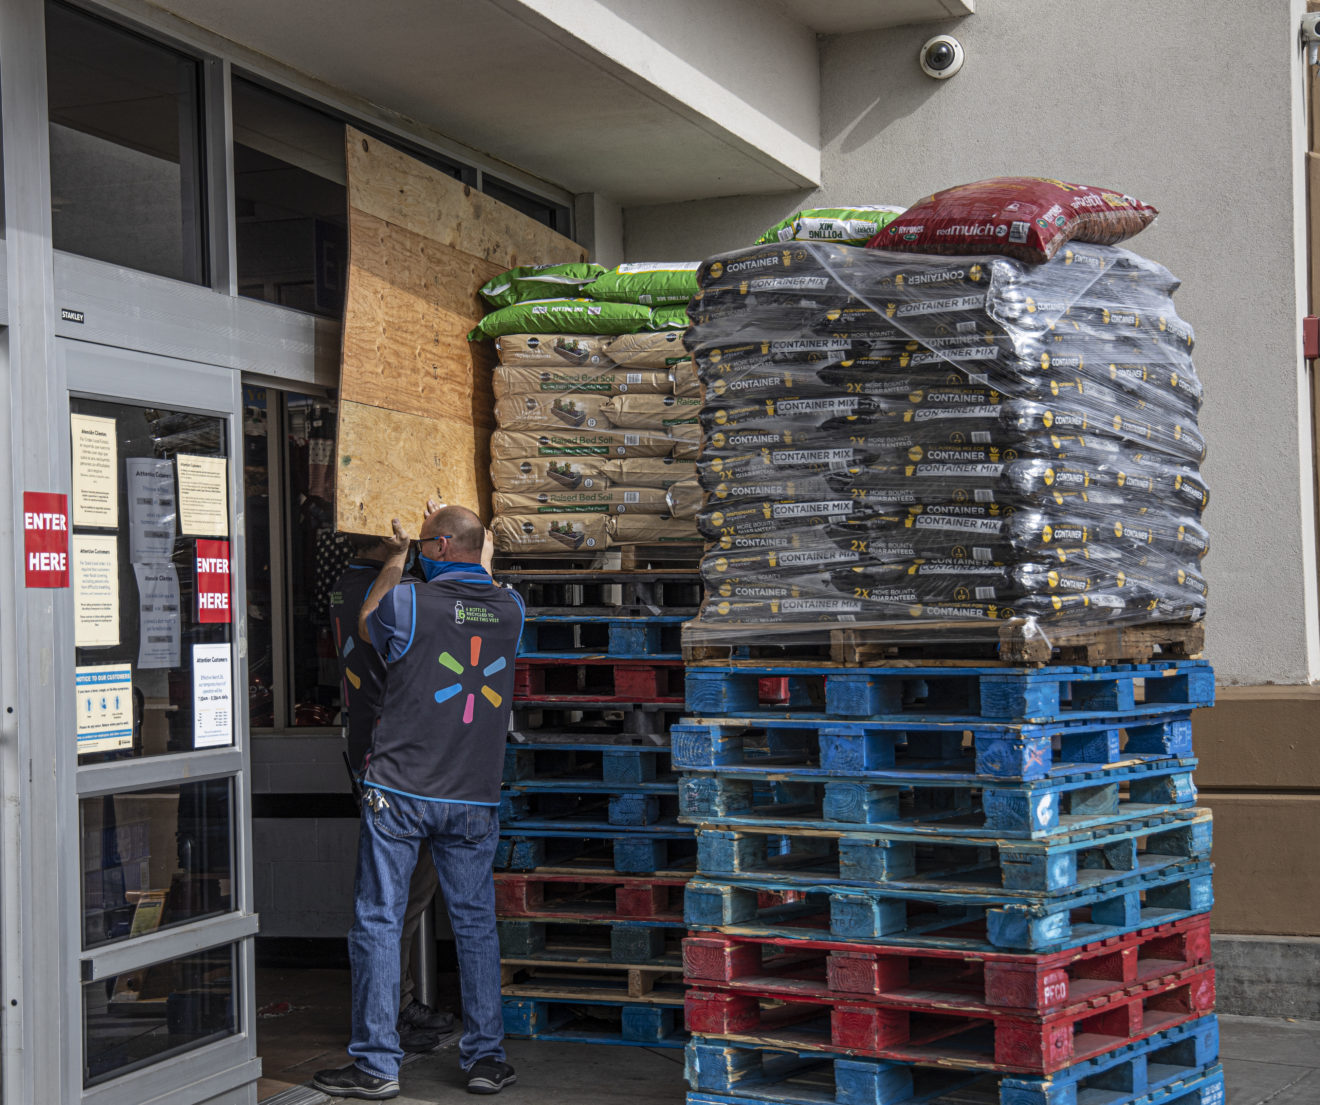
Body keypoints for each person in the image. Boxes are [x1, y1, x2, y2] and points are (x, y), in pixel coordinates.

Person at [315, 504, 524, 1100]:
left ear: (434, 548)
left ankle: (378, 1066)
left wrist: (398, 555)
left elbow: (366, 621)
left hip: (402, 792)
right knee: (476, 925)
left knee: (379, 922)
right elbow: (478, 567)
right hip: (473, 796)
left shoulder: (409, 603)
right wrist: (461, 537)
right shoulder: (512, 610)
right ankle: (487, 1059)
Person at [328, 534, 455, 1053]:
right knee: (395, 904)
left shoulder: (346, 582)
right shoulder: (387, 594)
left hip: (375, 754)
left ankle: (394, 1006)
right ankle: (388, 1016)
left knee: (394, 901)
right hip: (397, 765)